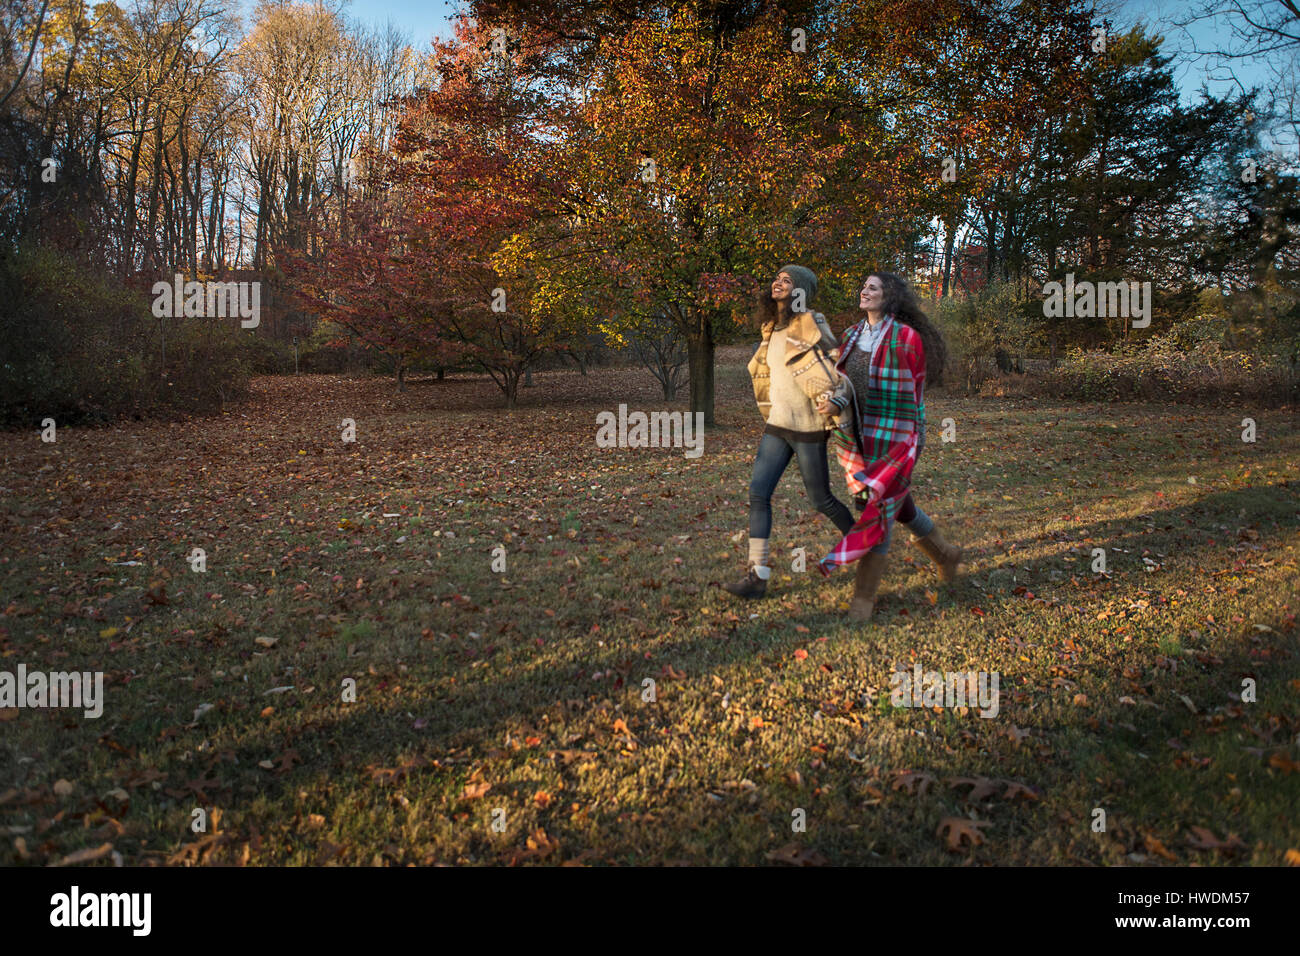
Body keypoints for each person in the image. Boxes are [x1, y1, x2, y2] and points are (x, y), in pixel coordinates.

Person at [815, 272, 963, 620]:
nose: (864, 291)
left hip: (898, 438)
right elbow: (844, 384)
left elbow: (912, 396)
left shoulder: (907, 338)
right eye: (863, 285)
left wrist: (908, 439)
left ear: (889, 296)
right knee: (900, 506)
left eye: (873, 287)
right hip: (860, 438)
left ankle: (862, 601)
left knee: (878, 508)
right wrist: (836, 401)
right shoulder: (851, 336)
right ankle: (946, 555)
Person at [721, 265, 854, 599]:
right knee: (758, 494)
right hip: (777, 426)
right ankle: (757, 577)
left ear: (801, 291)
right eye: (777, 278)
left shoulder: (810, 321)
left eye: (787, 281)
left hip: (808, 427)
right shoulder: (771, 328)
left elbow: (838, 365)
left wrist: (837, 399)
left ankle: (863, 541)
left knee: (821, 500)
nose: (778, 283)